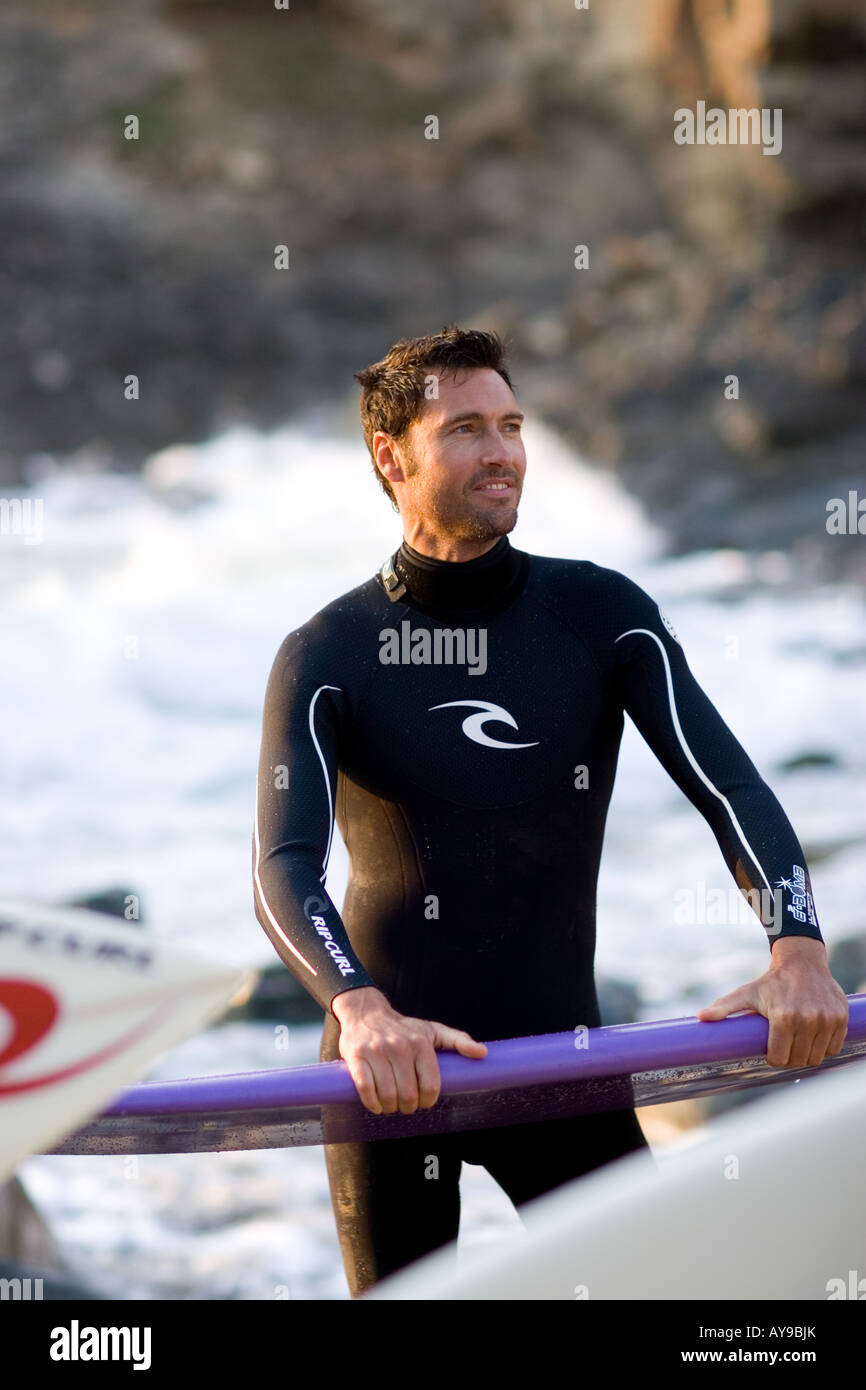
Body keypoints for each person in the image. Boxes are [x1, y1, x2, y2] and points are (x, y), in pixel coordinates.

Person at [252, 325, 848, 1296]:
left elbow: (727, 784)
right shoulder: (328, 652)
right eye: (465, 429)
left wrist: (796, 951)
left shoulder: (597, 615)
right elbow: (283, 862)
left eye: (511, 424)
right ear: (389, 455)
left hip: (562, 1059)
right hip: (393, 1076)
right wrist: (359, 1010)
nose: (500, 451)